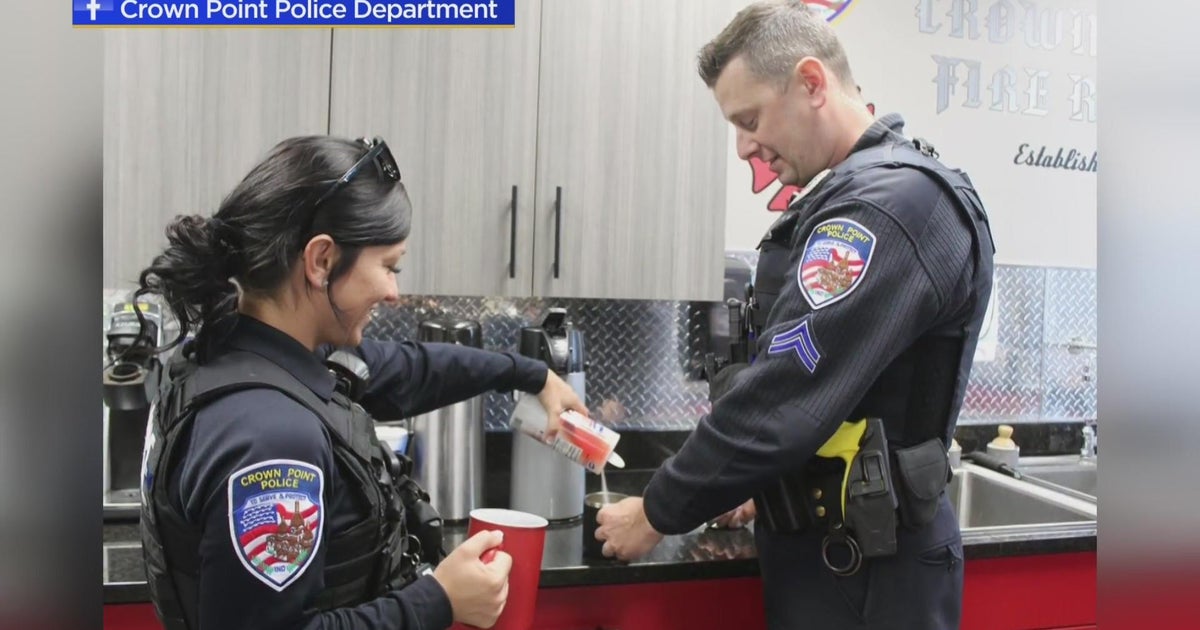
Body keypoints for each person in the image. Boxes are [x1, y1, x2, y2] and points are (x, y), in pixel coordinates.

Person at [595, 2, 995, 629]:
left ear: (812, 82)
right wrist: (758, 484)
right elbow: (853, 395)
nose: (744, 147)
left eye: (749, 119)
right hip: (839, 559)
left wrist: (657, 509)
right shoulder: (867, 195)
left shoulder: (886, 209)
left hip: (866, 576)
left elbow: (787, 390)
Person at [134, 135, 588, 630]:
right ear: (322, 261)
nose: (394, 291)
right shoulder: (272, 438)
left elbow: (409, 368)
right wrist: (438, 600)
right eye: (389, 266)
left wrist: (532, 374)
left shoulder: (232, 353)